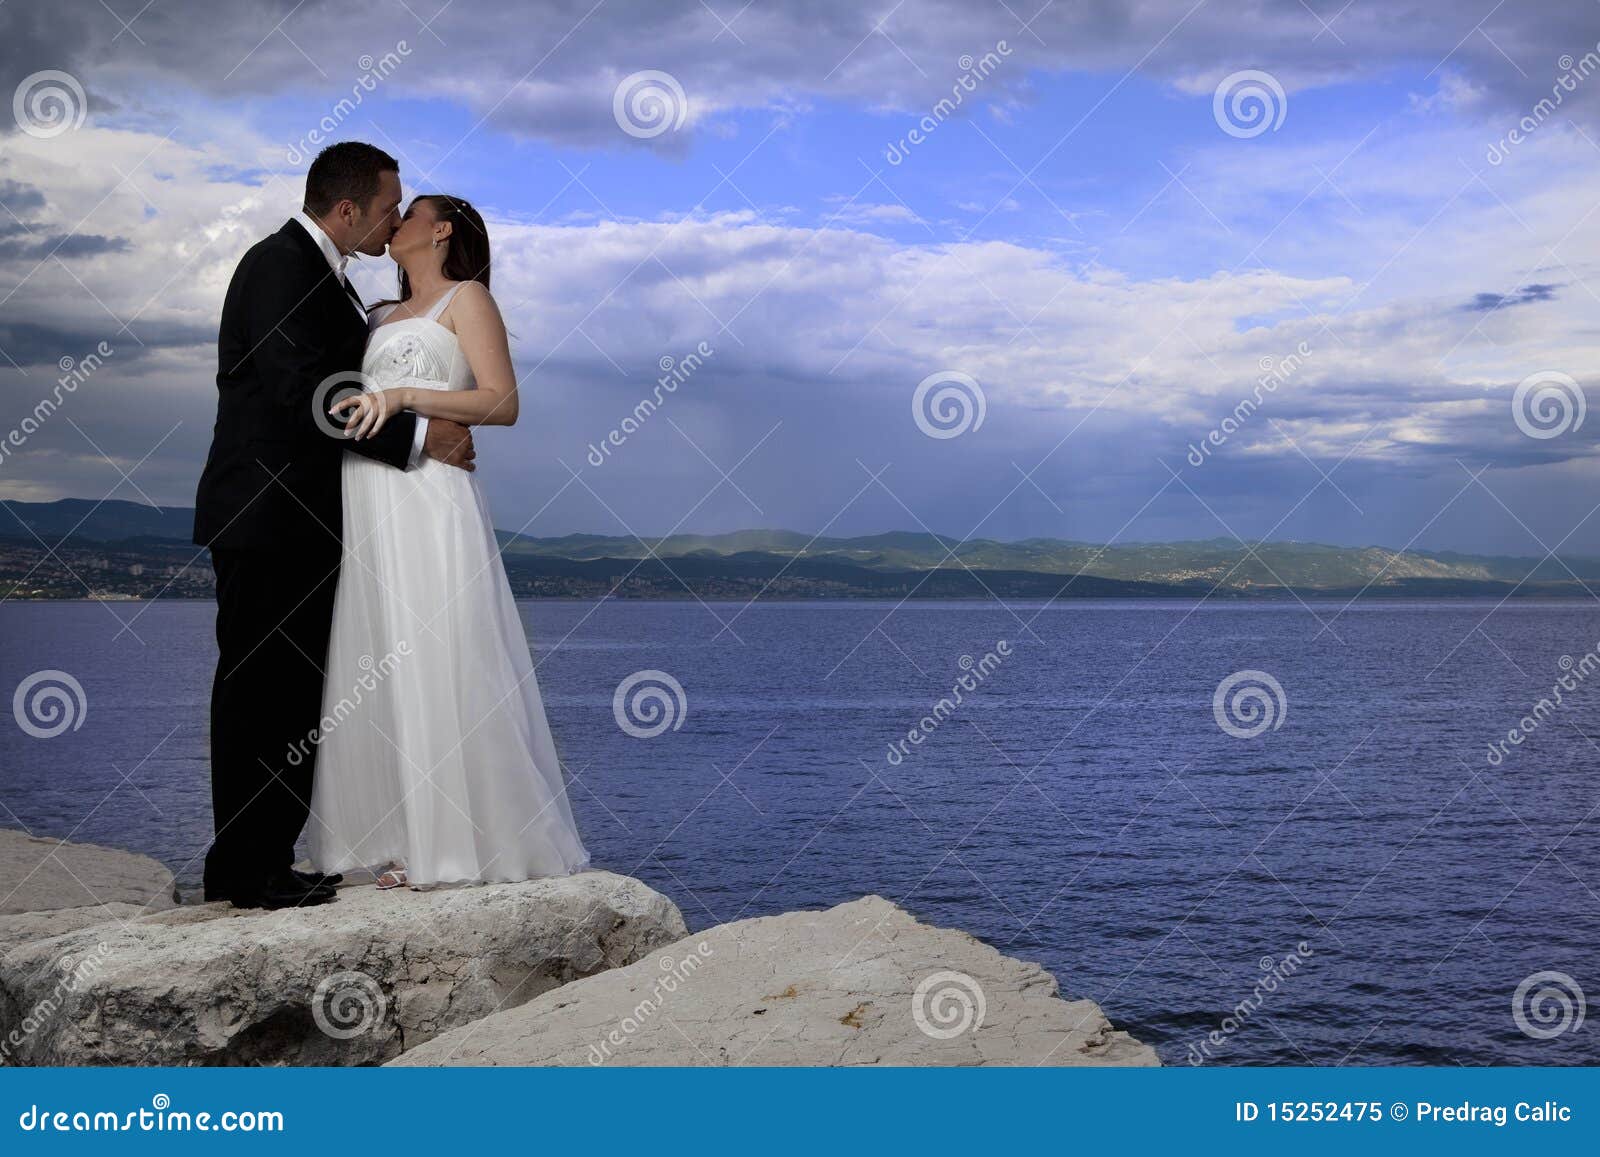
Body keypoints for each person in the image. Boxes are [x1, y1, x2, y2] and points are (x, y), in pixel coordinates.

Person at [193, 143, 477, 909]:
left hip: (306, 520)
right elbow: (303, 391)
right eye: (389, 206)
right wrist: (419, 441)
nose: (394, 222)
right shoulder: (280, 264)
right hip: (265, 515)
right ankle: (247, 871)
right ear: (346, 207)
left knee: (293, 696)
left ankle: (264, 859)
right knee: (260, 693)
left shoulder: (329, 277)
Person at [306, 191, 590, 889]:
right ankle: (395, 835)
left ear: (441, 231)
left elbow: (501, 400)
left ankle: (458, 843)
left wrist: (404, 398)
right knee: (376, 650)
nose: (394, 220)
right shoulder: (372, 315)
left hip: (432, 498)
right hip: (370, 498)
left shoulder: (467, 300)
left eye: (410, 212)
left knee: (441, 647)